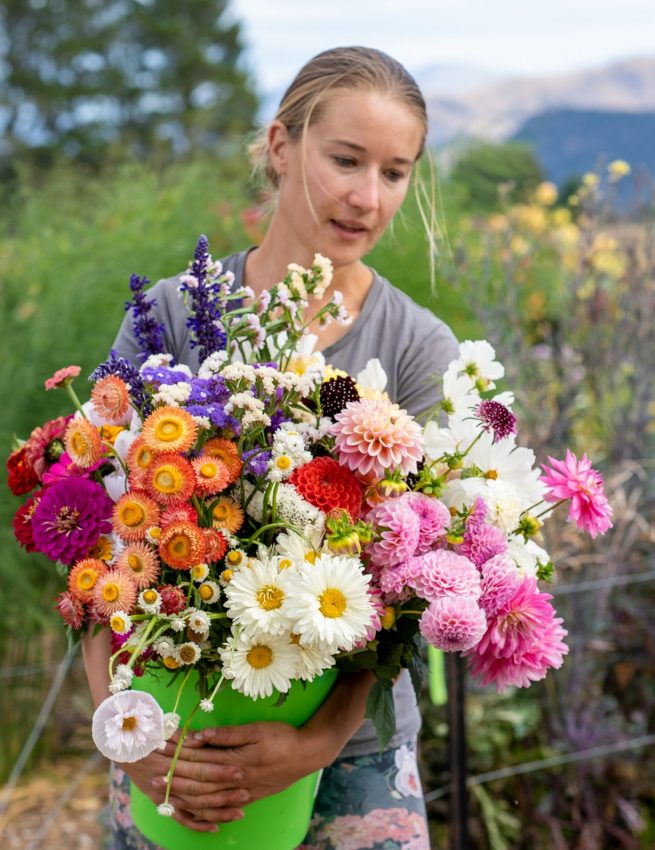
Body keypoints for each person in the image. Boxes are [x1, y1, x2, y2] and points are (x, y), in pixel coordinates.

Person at [81, 45, 457, 850]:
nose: (368, 197)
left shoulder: (419, 348)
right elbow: (94, 529)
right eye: (346, 160)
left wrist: (314, 745)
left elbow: (405, 587)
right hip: (173, 740)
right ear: (283, 147)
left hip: (354, 757)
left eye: (395, 173)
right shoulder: (174, 317)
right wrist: (123, 725)